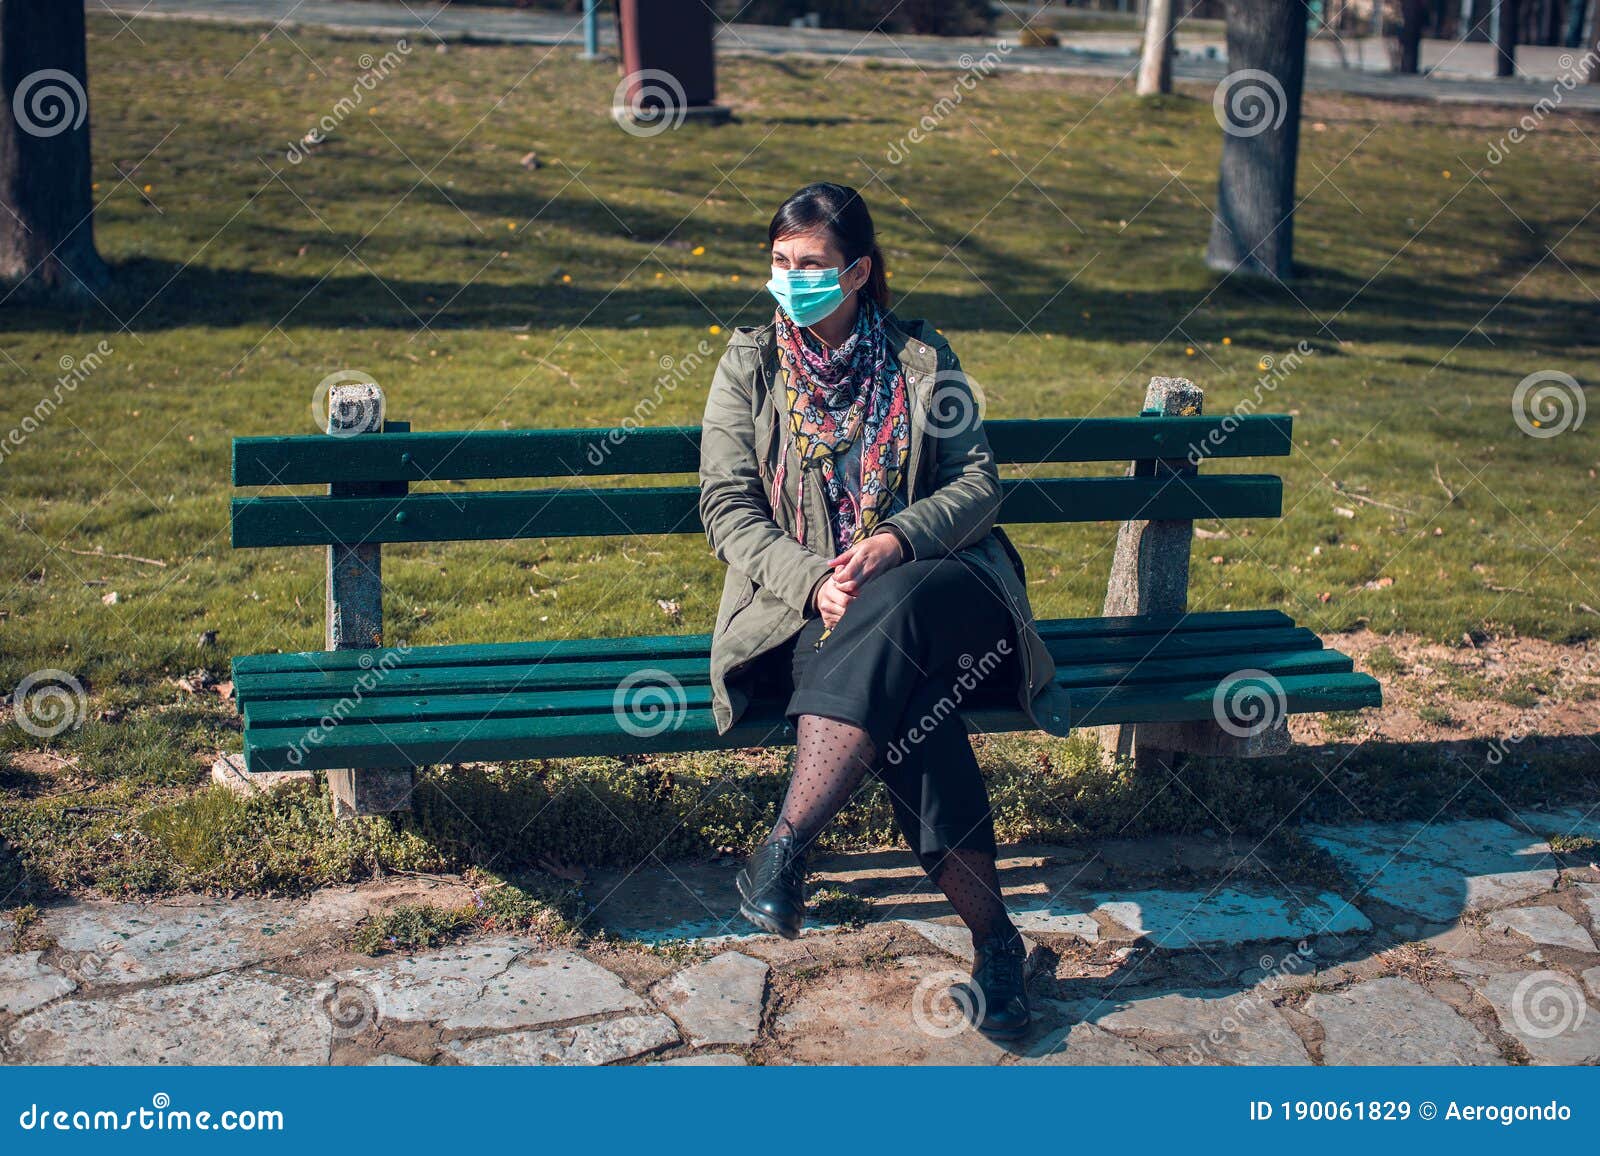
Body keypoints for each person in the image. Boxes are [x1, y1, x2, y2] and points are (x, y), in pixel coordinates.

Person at [697, 183, 1073, 1037]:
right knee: (908, 704)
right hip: (813, 616)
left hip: (949, 595)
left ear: (859, 272)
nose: (791, 280)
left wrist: (895, 543)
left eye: (812, 265)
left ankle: (788, 845)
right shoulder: (750, 365)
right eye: (780, 263)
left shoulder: (922, 360)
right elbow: (727, 505)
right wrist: (813, 581)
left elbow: (978, 485)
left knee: (895, 603)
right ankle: (997, 944)